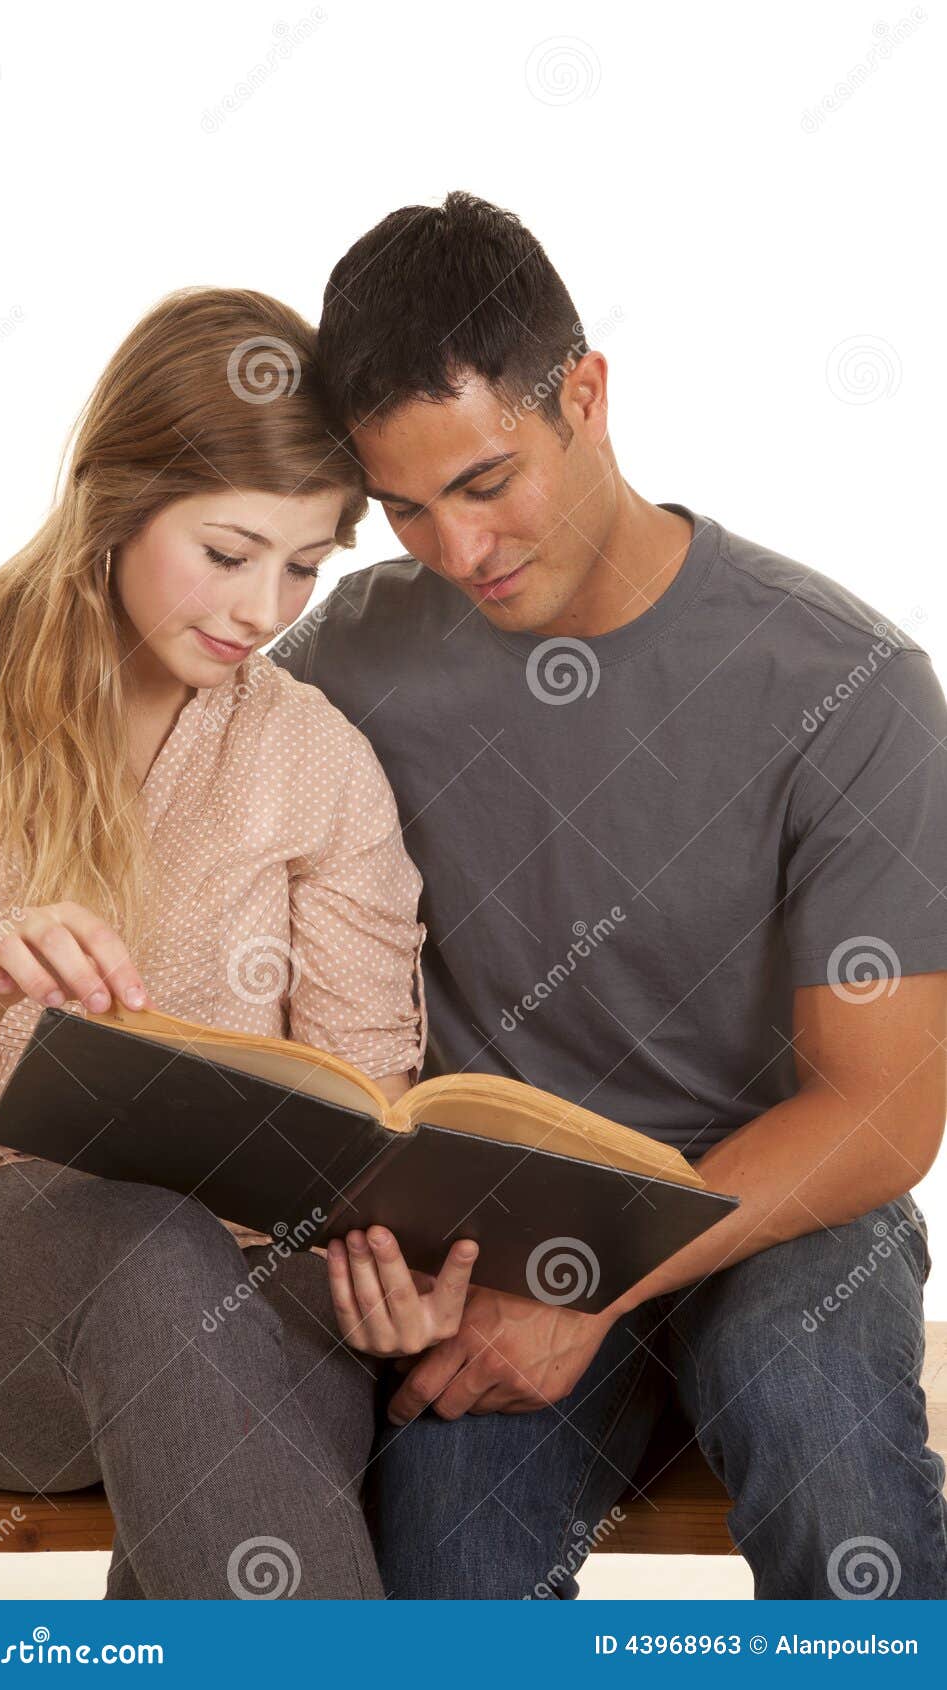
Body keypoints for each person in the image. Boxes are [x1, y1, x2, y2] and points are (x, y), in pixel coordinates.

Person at [273, 192, 947, 1599]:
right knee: (451, 1565)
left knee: (822, 1435)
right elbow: (166, 778)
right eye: (404, 508)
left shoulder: (846, 682)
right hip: (494, 1233)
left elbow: (883, 1111)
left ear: (585, 393)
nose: (457, 553)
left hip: (777, 1211)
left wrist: (590, 1276)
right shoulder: (353, 656)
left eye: (484, 481)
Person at [0, 286, 478, 1599]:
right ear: (114, 502)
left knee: (262, 1352)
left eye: (307, 564)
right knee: (158, 1251)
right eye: (228, 552)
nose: (267, 604)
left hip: (252, 1294)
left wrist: (401, 1275)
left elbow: (366, 1112)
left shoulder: (316, 760)